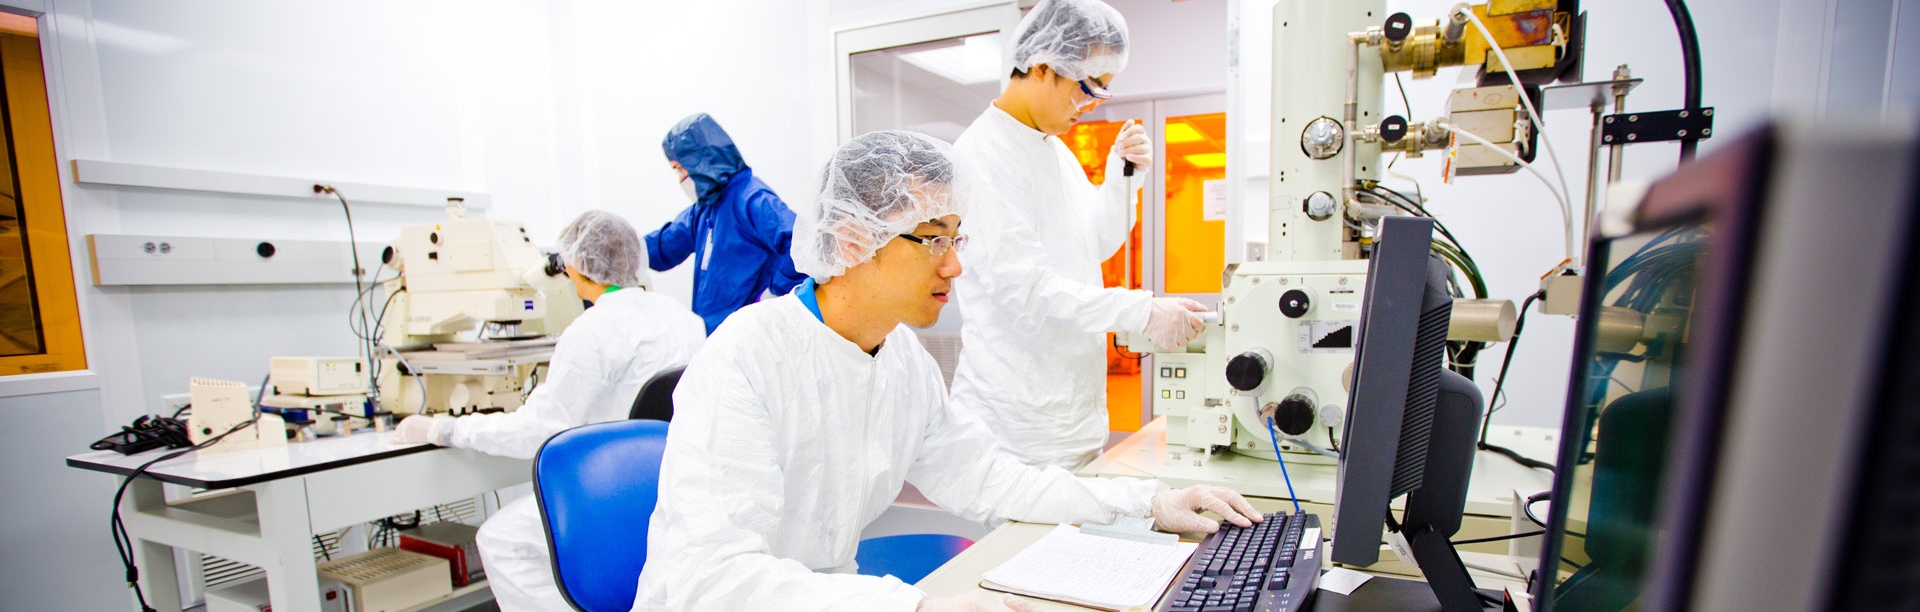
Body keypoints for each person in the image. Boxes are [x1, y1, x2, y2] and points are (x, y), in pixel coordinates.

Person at [632, 131, 1259, 612]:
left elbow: (988, 478)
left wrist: (1150, 502)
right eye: (933, 239)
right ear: (852, 241)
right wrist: (918, 604)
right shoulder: (745, 359)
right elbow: (711, 581)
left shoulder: (900, 357)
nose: (954, 267)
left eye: (958, 240)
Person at [392, 210, 706, 611]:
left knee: (500, 540)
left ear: (575, 268)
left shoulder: (592, 329)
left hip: (619, 489)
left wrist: (445, 430)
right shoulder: (683, 317)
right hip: (676, 481)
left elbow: (537, 431)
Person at [949, 0, 1210, 470]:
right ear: (1043, 67)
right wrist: (1140, 310)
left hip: (1072, 415)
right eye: (1087, 90)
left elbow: (1097, 244)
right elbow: (1028, 291)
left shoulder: (1053, 150)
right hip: (1017, 430)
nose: (1089, 108)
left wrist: (1123, 176)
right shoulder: (983, 156)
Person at [646, 112, 810, 334]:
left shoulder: (751, 198)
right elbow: (665, 245)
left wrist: (775, 294)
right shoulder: (706, 208)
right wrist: (618, 250)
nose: (680, 179)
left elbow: (801, 242)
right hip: (714, 338)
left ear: (698, 162)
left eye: (679, 169)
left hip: (749, 337)